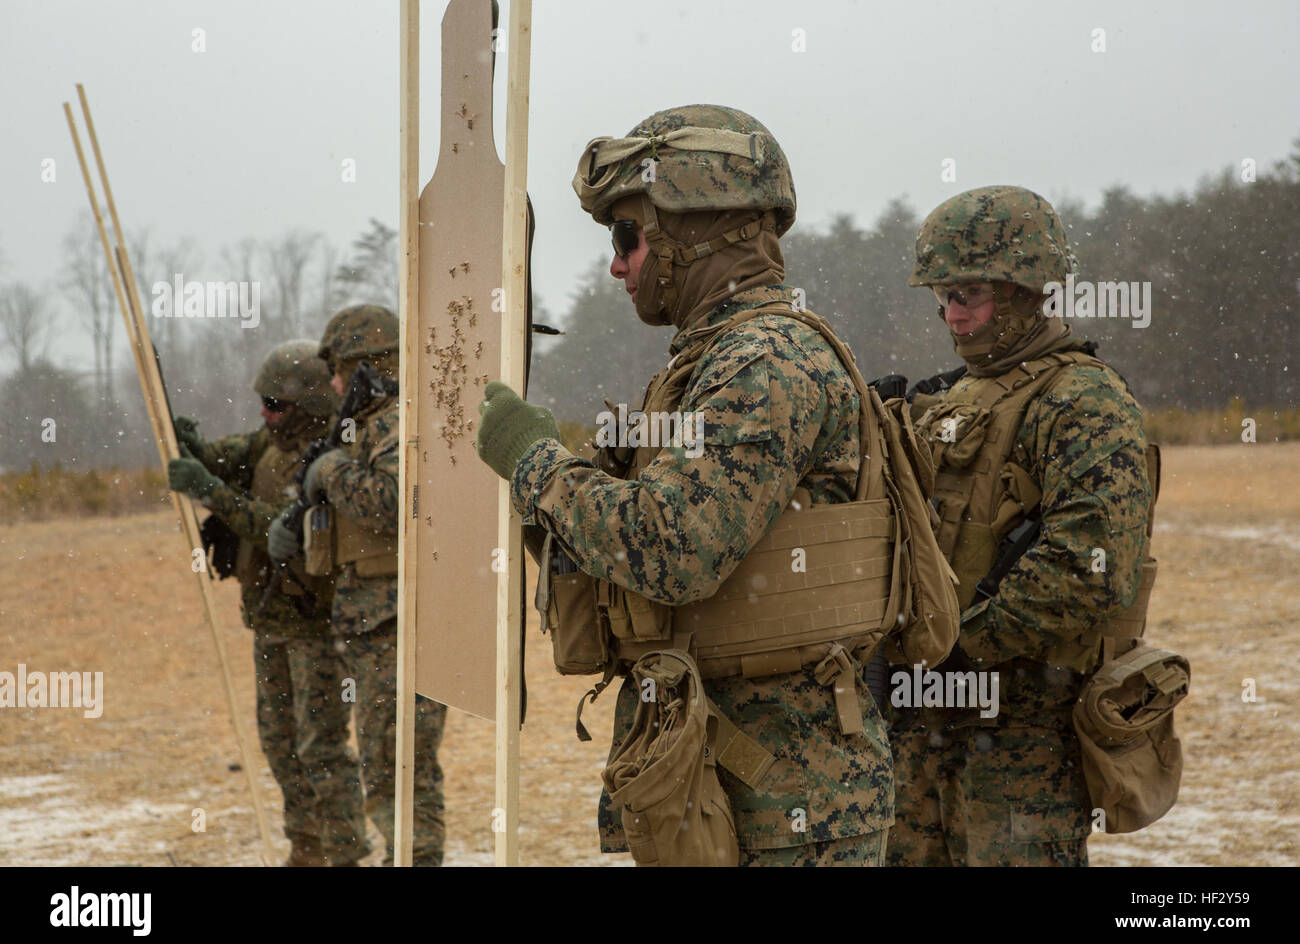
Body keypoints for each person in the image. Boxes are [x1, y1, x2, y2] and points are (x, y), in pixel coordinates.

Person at [475, 104, 935, 866]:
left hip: (785, 800)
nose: (617, 265)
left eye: (627, 237)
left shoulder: (765, 362)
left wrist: (535, 463)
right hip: (719, 779)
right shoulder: (708, 363)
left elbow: (673, 547)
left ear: (694, 234)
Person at [887, 185, 1153, 866]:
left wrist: (955, 648)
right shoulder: (945, 399)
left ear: (1023, 293)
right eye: (942, 298)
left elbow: (1089, 569)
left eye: (967, 298)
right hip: (918, 733)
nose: (952, 317)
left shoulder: (1084, 401)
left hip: (1023, 741)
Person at [167, 339, 367, 866]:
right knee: (280, 745)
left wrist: (210, 491)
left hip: (315, 627)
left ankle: (345, 851)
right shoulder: (265, 445)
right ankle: (307, 846)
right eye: (264, 403)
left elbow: (275, 527)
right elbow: (219, 458)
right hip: (268, 620)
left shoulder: (327, 459)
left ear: (308, 405)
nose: (265, 413)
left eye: (275, 405)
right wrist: (190, 446)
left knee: (321, 748)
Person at [268, 305, 447, 867]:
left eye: (342, 371)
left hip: (398, 624)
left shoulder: (396, 420)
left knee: (400, 770)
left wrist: (331, 474)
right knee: (386, 768)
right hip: (377, 625)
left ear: (371, 365)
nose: (337, 385)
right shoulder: (371, 424)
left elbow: (395, 502)